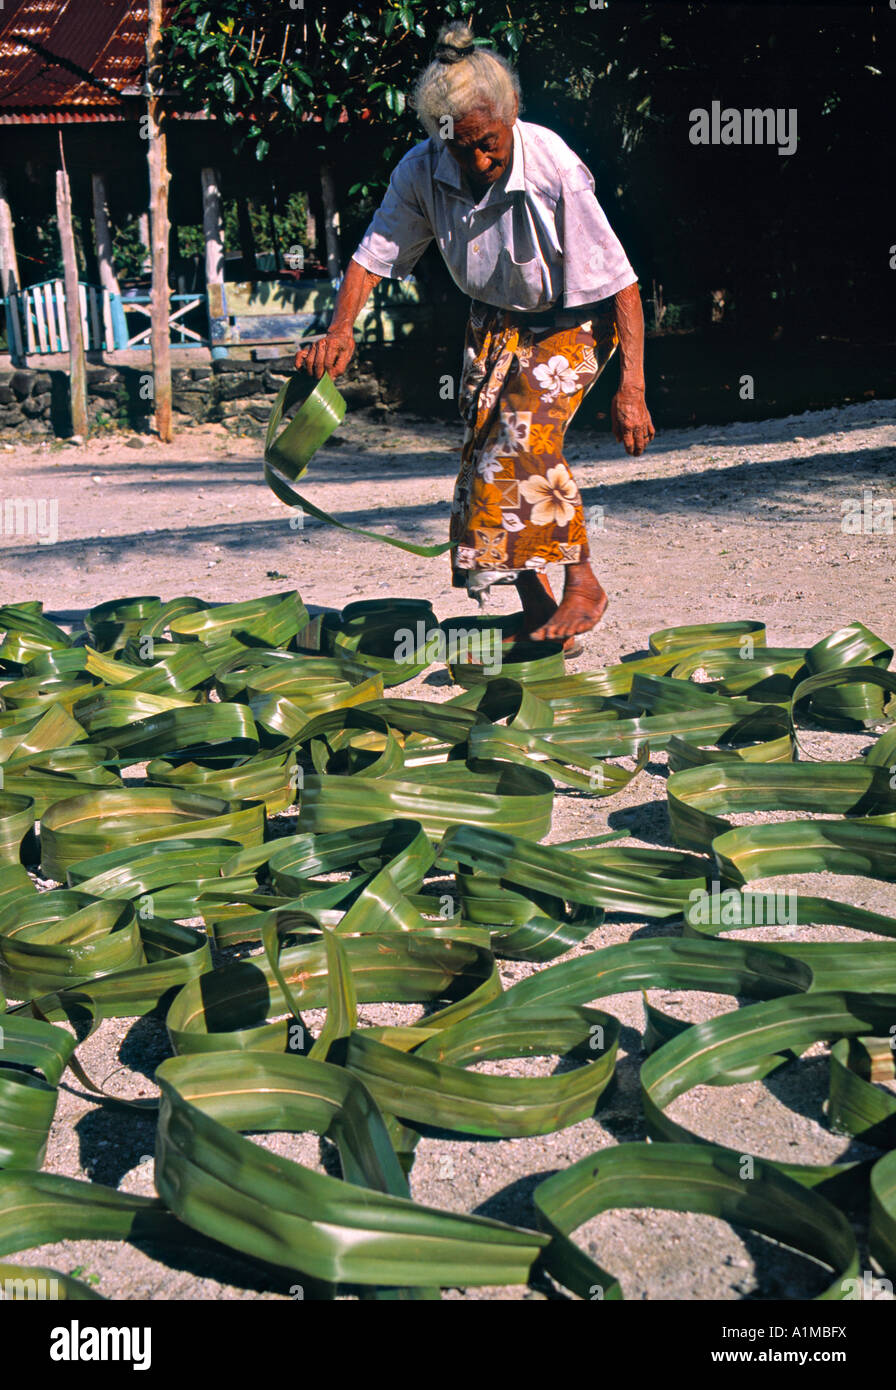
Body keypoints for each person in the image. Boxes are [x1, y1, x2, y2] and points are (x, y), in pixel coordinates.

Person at [296, 21, 654, 645]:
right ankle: (539, 610)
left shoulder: (553, 166)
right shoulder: (420, 170)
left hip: (574, 319)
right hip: (494, 321)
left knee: (523, 433)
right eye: (462, 149)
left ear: (511, 114)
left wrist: (633, 391)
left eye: (487, 143)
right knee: (480, 465)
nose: (478, 161)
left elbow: (623, 284)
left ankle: (584, 580)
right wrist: (339, 330)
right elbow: (373, 255)